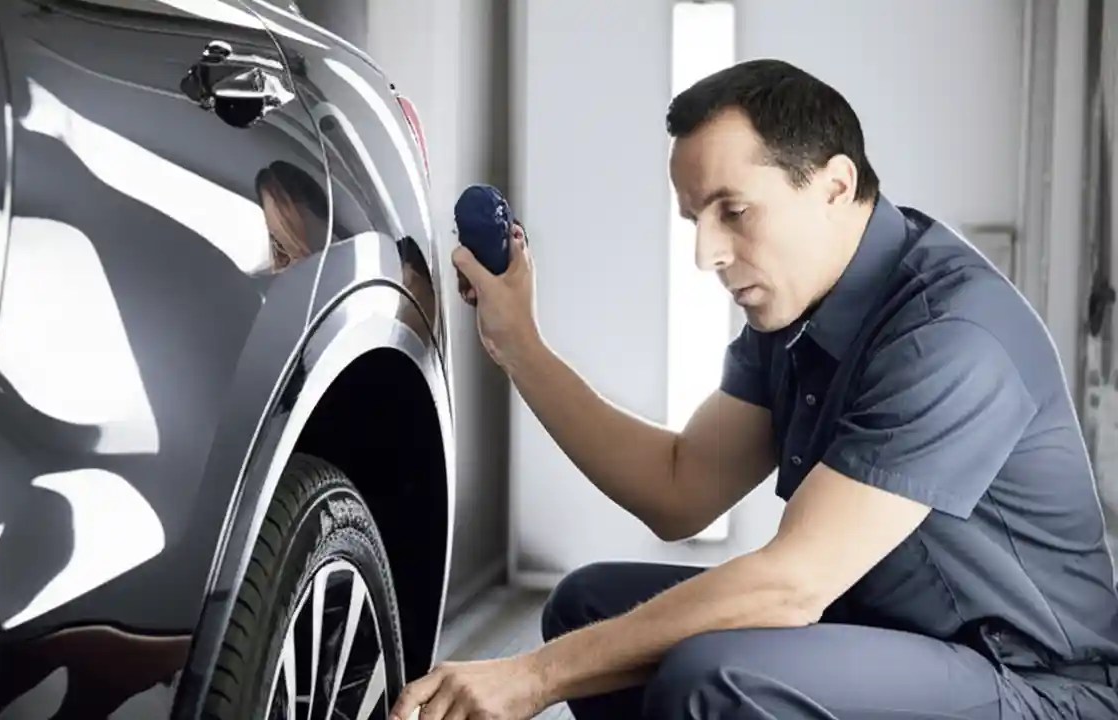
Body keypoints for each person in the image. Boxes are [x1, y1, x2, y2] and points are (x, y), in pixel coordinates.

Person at [389, 59, 1118, 719]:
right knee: (587, 609)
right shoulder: (799, 309)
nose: (707, 253)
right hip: (889, 630)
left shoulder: (950, 332)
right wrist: (520, 345)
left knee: (713, 680)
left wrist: (533, 677)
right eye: (695, 219)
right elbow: (678, 488)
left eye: (733, 211)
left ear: (835, 185)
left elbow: (791, 584)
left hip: (1035, 685)